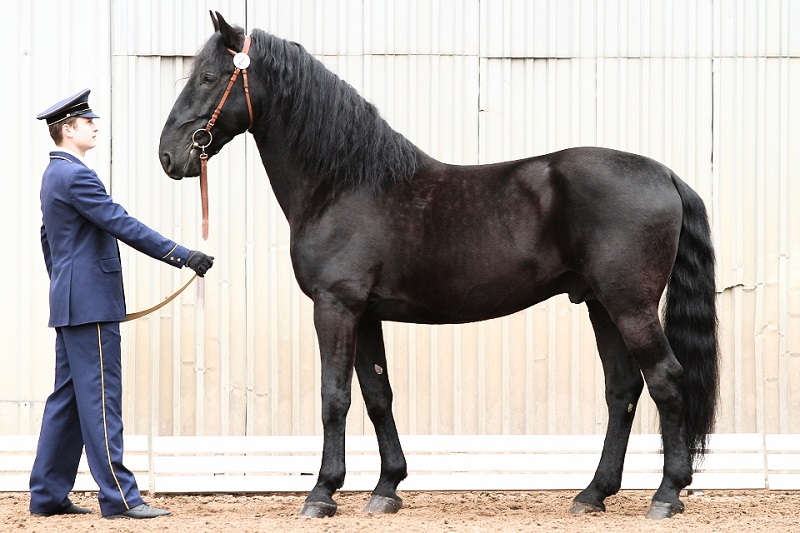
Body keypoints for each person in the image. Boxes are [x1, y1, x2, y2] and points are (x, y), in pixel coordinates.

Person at [30, 88, 214, 519]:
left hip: (73, 302)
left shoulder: (53, 174)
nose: (95, 126)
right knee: (100, 399)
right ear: (68, 129)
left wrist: (62, 286)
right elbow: (120, 222)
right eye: (87, 122)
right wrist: (182, 255)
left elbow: (47, 238)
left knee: (69, 399)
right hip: (90, 306)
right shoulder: (76, 175)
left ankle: (47, 494)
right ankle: (120, 497)